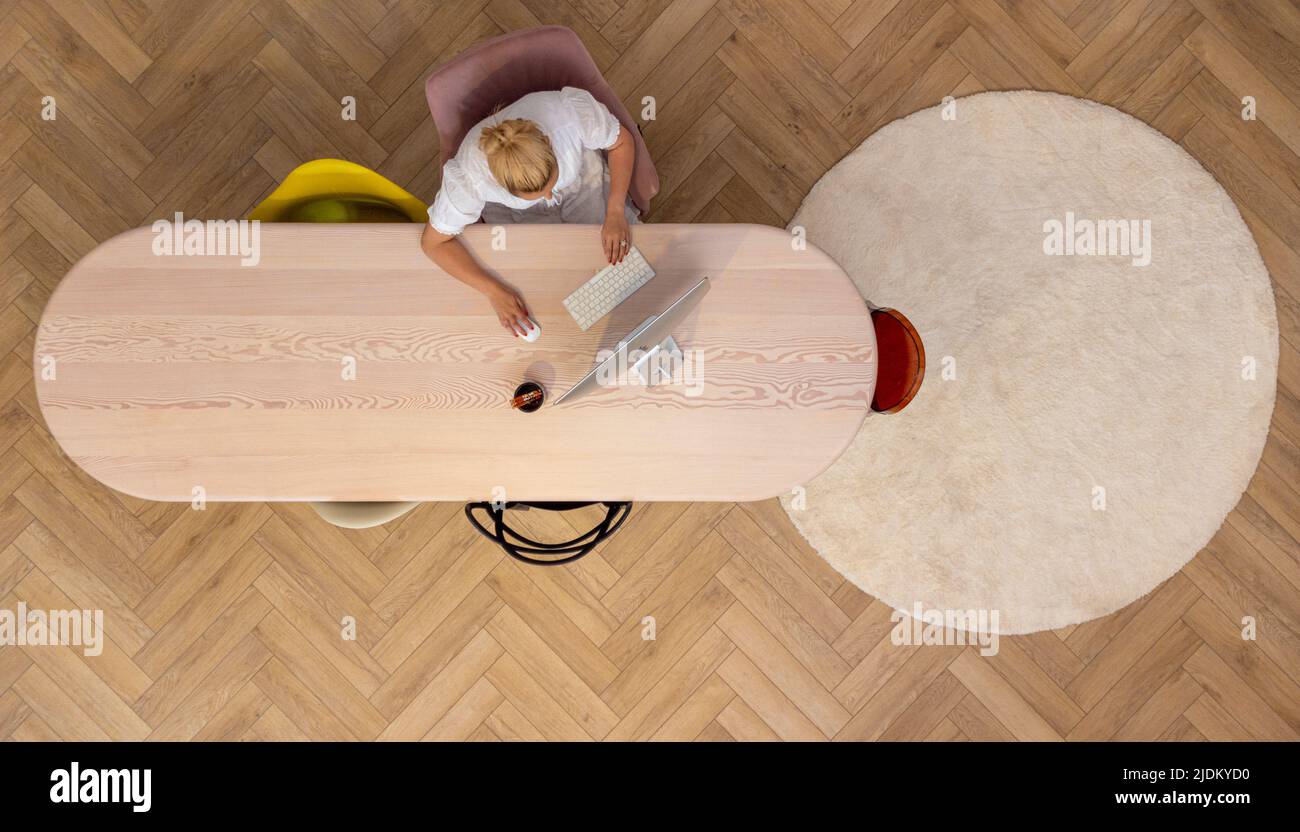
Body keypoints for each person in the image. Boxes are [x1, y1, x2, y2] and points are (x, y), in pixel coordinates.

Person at [420, 87, 639, 336]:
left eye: (550, 185)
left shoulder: (570, 114)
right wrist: (494, 292)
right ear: (499, 184)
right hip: (517, 215)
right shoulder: (469, 179)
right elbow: (433, 243)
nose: (549, 197)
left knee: (621, 257)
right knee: (541, 288)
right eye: (537, 195)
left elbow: (622, 141)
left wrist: (615, 210)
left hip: (580, 181)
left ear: (547, 141)